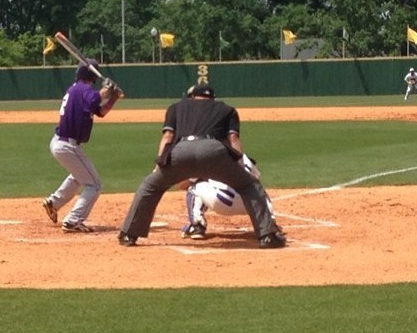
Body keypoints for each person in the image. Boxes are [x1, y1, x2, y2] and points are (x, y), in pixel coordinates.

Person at [117, 83, 286, 248]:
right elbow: (233, 140)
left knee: (150, 186)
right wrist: (241, 167)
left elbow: (168, 137)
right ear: (212, 98)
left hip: (180, 151)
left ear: (191, 97)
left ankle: (128, 234)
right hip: (214, 151)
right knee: (249, 185)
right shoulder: (226, 109)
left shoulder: (176, 107)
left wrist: (159, 165)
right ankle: (267, 235)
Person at [40, 58, 122, 233]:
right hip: (67, 145)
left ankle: (54, 203)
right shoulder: (82, 90)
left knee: (79, 176)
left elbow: (100, 111)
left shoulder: (77, 90)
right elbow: (96, 98)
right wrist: (107, 89)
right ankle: (73, 221)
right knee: (95, 185)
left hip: (62, 143)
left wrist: (112, 97)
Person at [179, 153, 278, 240]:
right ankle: (269, 223)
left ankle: (197, 226)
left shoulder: (209, 158)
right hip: (249, 204)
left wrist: (202, 176)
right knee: (258, 188)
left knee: (193, 187)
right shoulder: (243, 157)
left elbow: (182, 185)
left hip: (221, 203)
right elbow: (256, 179)